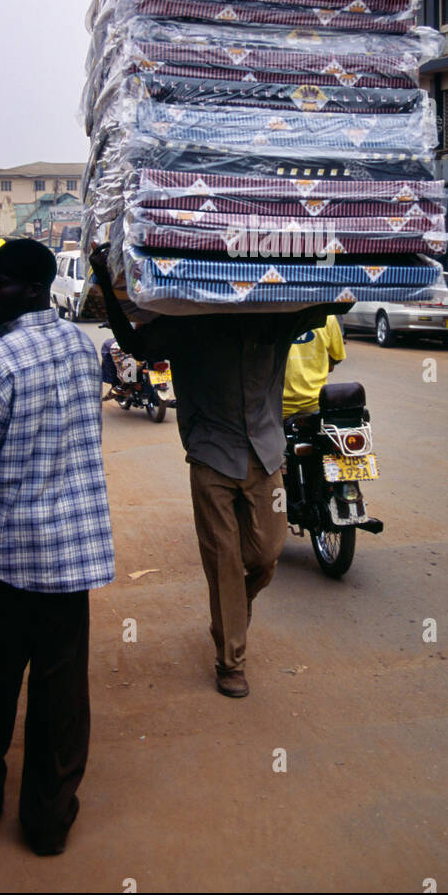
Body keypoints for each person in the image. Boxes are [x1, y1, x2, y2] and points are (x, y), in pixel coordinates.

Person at [89, 242, 346, 699]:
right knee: (223, 561)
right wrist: (106, 282)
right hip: (211, 458)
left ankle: (233, 605)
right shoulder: (189, 323)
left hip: (267, 456)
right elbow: (135, 344)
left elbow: (335, 302)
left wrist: (342, 255)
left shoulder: (278, 316)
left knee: (265, 556)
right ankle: (231, 660)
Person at [0, 239, 114, 855]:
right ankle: (48, 818)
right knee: (61, 696)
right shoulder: (81, 347)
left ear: (35, 288)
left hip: (6, 560)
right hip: (70, 558)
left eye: (3, 282)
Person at [282, 315, 346, 420]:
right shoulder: (328, 316)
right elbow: (336, 358)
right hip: (316, 403)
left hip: (278, 407)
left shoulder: (271, 315)